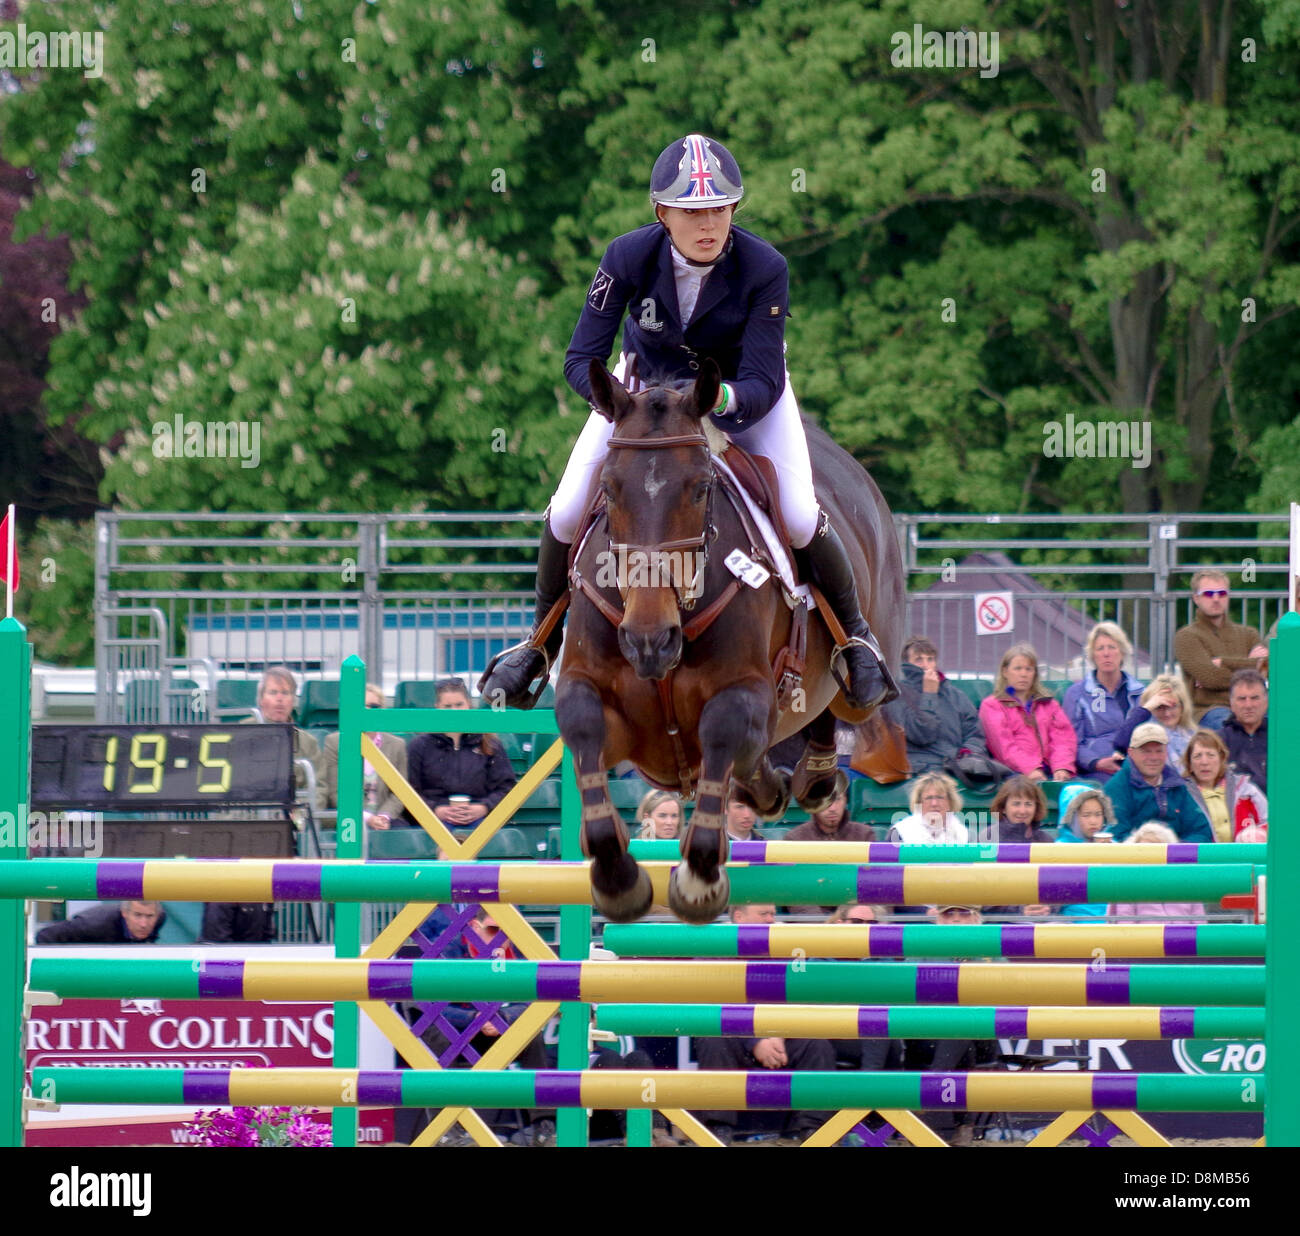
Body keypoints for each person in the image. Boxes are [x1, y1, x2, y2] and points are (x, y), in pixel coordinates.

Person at [478, 133, 895, 714]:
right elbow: (580, 360)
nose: (709, 224)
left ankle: (855, 640)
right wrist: (620, 404)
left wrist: (714, 401)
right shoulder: (626, 256)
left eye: (720, 209)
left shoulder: (764, 266)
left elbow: (763, 380)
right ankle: (540, 644)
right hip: (642, 397)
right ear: (662, 214)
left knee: (799, 514)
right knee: (571, 505)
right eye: (693, 211)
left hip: (739, 397)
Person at [694, 903, 835, 1144]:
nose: (771, 920)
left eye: (773, 914)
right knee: (713, 1038)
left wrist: (777, 1032)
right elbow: (715, 1005)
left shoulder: (786, 943)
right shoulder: (713, 945)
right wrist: (755, 1041)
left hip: (780, 1031)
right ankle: (718, 1130)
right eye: (763, 914)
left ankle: (814, 1129)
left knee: (817, 1045)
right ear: (738, 917)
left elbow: (797, 996)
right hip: (732, 1034)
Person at [900, 903, 999, 1145]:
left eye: (963, 914)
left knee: (961, 1024)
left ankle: (927, 1096)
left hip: (981, 1035)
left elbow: (1004, 995)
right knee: (956, 1031)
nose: (955, 920)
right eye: (949, 914)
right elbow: (903, 990)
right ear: (938, 919)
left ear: (976, 918)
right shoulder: (923, 946)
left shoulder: (990, 949)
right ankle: (963, 1124)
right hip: (930, 1034)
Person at [404, 678, 516, 828]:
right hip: (433, 820)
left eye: (459, 705)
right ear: (437, 707)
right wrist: (436, 810)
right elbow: (409, 791)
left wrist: (484, 807)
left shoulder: (490, 743)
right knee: (446, 838)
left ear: (469, 704)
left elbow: (506, 787)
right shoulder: (419, 746)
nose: (454, 711)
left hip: (480, 820)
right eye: (447, 706)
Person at [1173, 570, 1267, 723]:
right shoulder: (1186, 636)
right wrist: (1251, 665)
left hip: (1254, 706)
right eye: (1209, 594)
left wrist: (1224, 663)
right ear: (1196, 598)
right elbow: (1211, 678)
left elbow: (1265, 670)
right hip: (1209, 710)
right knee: (1228, 724)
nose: (1216, 599)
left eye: (1222, 593)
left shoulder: (1249, 634)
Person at [888, 634, 989, 775]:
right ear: (907, 664)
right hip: (920, 769)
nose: (926, 665)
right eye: (919, 660)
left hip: (957, 766)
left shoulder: (955, 694)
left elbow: (974, 732)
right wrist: (929, 694)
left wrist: (967, 753)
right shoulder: (898, 695)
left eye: (930, 659)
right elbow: (922, 735)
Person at [978, 643, 1077, 781]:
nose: (1023, 674)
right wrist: (1031, 769)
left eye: (1028, 669)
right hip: (1015, 773)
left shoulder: (1048, 704)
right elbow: (1004, 746)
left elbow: (1063, 738)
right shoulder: (992, 705)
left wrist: (1061, 767)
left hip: (1052, 770)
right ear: (1005, 672)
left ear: (1034, 673)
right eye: (1017, 668)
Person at [1102, 724, 1213, 842]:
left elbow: (1201, 830)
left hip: (1176, 856)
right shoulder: (1116, 788)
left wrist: (1176, 851)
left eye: (1159, 751)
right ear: (1131, 753)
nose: (1153, 757)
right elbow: (1115, 835)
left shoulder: (1178, 785)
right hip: (1136, 857)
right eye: (1146, 751)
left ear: (1166, 752)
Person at [318, 683, 408, 829]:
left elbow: (400, 793)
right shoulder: (334, 743)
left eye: (374, 707)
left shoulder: (397, 745)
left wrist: (384, 816)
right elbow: (336, 792)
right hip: (350, 819)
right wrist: (367, 818)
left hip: (387, 819)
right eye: (362, 706)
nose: (368, 711)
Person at [1062, 622, 1144, 777]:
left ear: (1122, 652)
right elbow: (1071, 742)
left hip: (1135, 766)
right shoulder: (1076, 694)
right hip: (1095, 770)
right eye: (1100, 648)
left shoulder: (1140, 692)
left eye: (1112, 647)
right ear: (1093, 655)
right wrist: (1096, 762)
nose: (1106, 654)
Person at [783, 783, 876, 916]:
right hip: (814, 924)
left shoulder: (865, 835)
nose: (832, 808)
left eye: (838, 799)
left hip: (855, 919)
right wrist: (823, 926)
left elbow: (872, 886)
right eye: (826, 800)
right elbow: (795, 893)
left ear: (846, 801)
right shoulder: (795, 839)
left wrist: (853, 918)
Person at [240, 666, 322, 792]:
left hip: (294, 809)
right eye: (273, 692)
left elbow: (319, 789)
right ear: (261, 699)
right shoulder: (241, 733)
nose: (280, 699)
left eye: (285, 693)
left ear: (293, 700)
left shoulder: (308, 743)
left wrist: (302, 811)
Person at [1181, 727, 1268, 843]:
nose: (1204, 762)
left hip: (1243, 858)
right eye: (1197, 756)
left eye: (1210, 755)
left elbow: (1270, 822)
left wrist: (1257, 835)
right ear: (1190, 764)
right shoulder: (1181, 795)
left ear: (1222, 759)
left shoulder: (1246, 790)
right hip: (1201, 859)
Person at [1110, 823, 1209, 922]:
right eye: (1143, 851)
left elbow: (1199, 924)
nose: (1149, 857)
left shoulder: (1187, 885)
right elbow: (1125, 927)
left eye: (1155, 851)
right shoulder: (1128, 885)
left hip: (1183, 936)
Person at [1053, 784, 1119, 918]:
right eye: (1086, 815)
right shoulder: (1059, 849)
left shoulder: (1115, 846)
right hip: (1073, 920)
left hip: (1113, 919)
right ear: (1071, 817)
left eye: (1098, 814)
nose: (1093, 821)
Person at [1110, 675, 1198, 772]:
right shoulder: (1145, 730)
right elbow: (1120, 743)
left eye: (1172, 706)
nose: (1167, 713)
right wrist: (1146, 708)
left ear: (1182, 707)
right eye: (1160, 707)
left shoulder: (1191, 733)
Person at [1220, 669, 1268, 792]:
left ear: (1266, 701)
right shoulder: (1218, 741)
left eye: (1254, 698)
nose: (1248, 705)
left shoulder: (1280, 738)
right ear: (1231, 703)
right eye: (1242, 699)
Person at [887, 773, 969, 845]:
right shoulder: (901, 832)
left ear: (950, 802)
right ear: (919, 803)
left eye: (940, 797)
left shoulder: (962, 834)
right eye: (928, 798)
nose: (934, 803)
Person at [36, 900, 166, 944]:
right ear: (124, 913)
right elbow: (44, 936)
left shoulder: (160, 918)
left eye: (149, 917)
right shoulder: (92, 924)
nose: (143, 924)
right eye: (137, 915)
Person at [199, 902, 275, 943]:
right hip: (227, 963)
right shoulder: (223, 894)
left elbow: (266, 935)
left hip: (254, 960)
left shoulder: (262, 892)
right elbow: (216, 942)